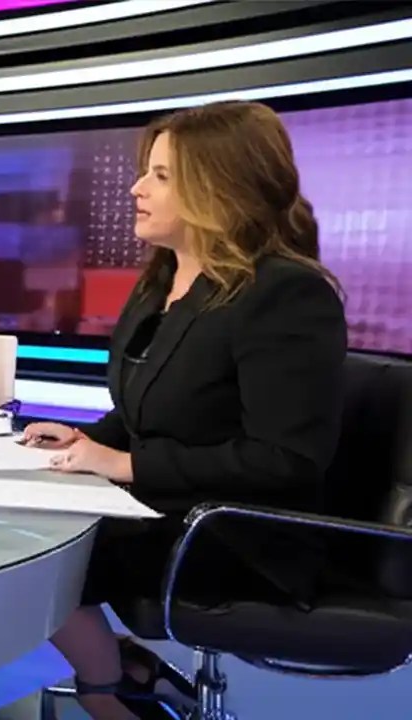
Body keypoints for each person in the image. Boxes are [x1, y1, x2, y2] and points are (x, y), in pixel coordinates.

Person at [21, 101, 348, 720]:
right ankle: (120, 672)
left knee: (42, 556)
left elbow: (285, 462)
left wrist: (124, 464)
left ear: (220, 186)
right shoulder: (161, 284)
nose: (138, 188)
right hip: (170, 505)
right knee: (25, 522)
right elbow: (144, 413)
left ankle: (109, 691)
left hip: (240, 534)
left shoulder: (284, 293)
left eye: (162, 176)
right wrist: (82, 441)